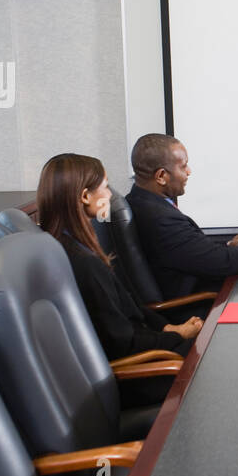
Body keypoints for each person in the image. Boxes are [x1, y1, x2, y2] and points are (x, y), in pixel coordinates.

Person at [37, 153, 200, 362]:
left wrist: (168, 328)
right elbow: (123, 342)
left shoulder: (63, 245)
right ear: (85, 196)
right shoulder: (85, 263)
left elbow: (127, 307)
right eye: (105, 187)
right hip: (139, 367)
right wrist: (178, 335)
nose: (110, 195)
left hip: (143, 345)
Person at [127, 134, 238, 299]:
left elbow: (192, 250)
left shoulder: (140, 201)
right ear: (161, 176)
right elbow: (220, 263)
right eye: (183, 166)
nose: (189, 171)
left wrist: (233, 244)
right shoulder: (161, 219)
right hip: (196, 306)